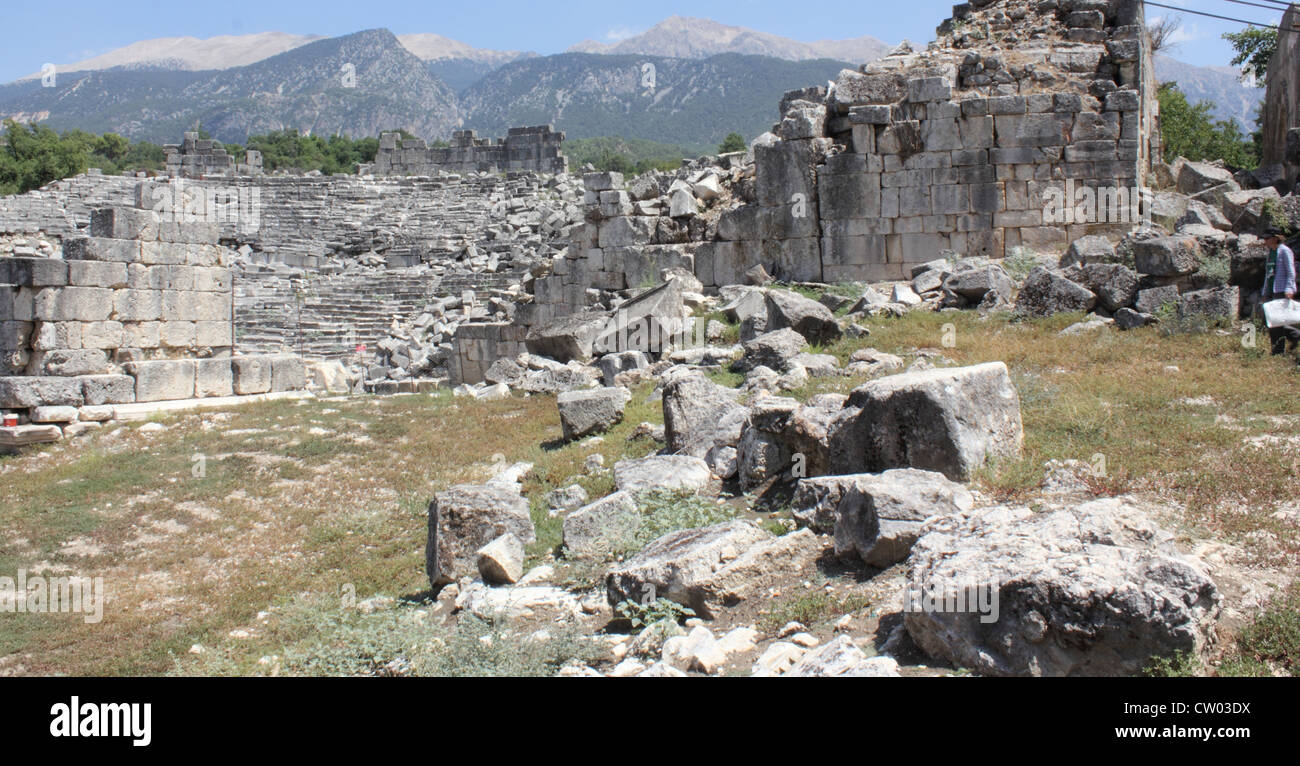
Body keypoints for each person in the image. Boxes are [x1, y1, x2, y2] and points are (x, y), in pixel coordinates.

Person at [1261, 227, 1300, 355]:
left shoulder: (1284, 251)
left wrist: (1289, 288)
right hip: (1271, 290)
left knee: (1275, 321)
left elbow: (1290, 271)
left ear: (1275, 238)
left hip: (1282, 290)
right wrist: (1264, 292)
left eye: (1267, 238)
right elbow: (1268, 274)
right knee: (1271, 320)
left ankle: (1278, 351)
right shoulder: (1271, 252)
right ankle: (1295, 336)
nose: (1265, 241)